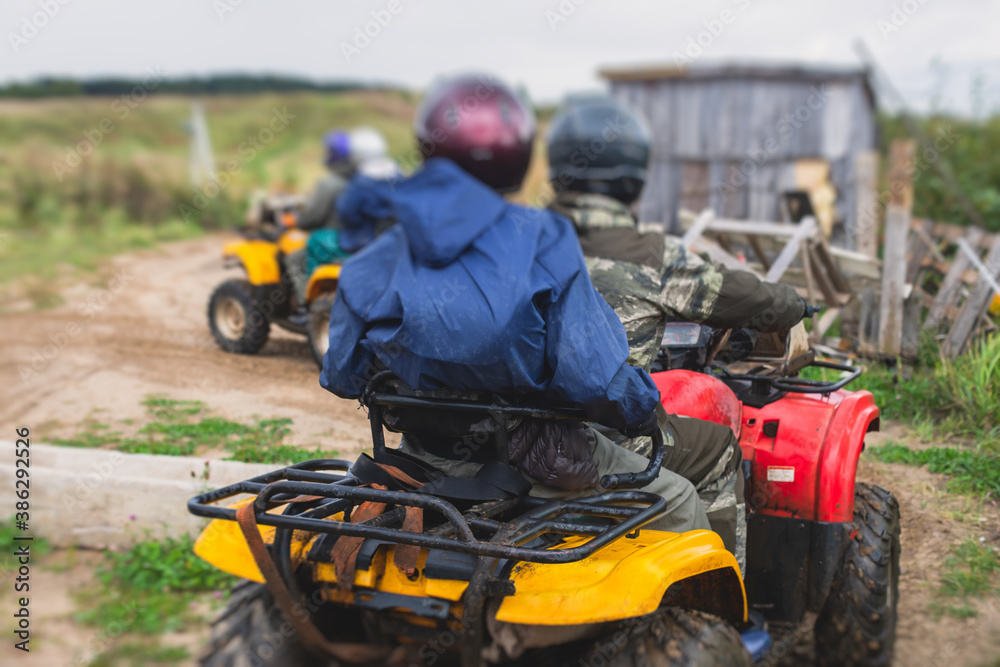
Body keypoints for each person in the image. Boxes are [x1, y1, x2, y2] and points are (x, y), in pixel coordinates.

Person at [319, 74, 710, 536]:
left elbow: (342, 376)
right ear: (517, 155)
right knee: (682, 500)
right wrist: (643, 409)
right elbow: (595, 380)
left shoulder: (371, 259)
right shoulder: (543, 238)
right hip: (530, 466)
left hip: (417, 457)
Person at [546, 94, 809, 569]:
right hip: (596, 443)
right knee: (718, 449)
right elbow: (743, 296)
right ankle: (722, 598)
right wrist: (794, 303)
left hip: (510, 432)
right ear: (633, 180)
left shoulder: (518, 241)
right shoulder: (651, 256)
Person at [287, 127, 395, 324]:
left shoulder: (354, 182)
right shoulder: (394, 174)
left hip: (358, 241)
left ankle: (308, 304)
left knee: (311, 244)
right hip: (386, 240)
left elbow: (345, 212)